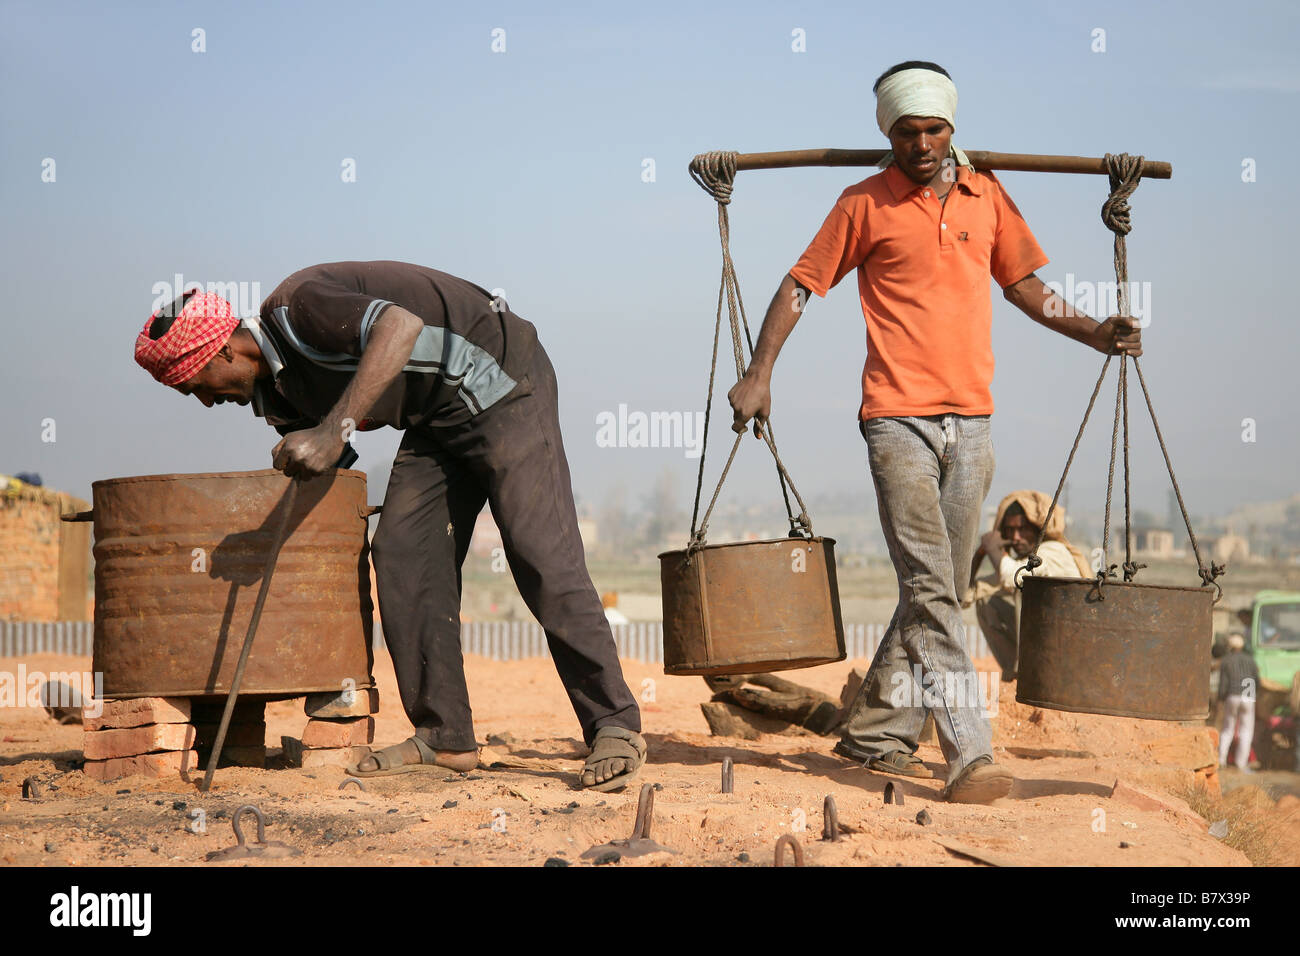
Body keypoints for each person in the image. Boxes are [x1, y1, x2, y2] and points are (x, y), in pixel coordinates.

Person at [726, 61, 1142, 803]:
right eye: (907, 132)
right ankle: (969, 755)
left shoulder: (988, 196)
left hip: (972, 422)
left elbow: (1024, 287)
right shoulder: (862, 203)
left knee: (939, 589)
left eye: (934, 130)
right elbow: (800, 284)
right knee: (931, 587)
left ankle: (877, 732)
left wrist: (1094, 332)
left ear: (953, 130)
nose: (922, 144)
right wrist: (760, 373)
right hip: (895, 421)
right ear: (888, 133)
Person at [133, 262, 646, 791]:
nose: (205, 400)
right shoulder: (279, 396)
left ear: (223, 350)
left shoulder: (298, 307)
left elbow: (399, 326)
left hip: (500, 379)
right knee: (402, 550)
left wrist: (333, 430)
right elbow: (332, 475)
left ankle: (614, 724)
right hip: (436, 418)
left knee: (539, 551)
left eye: (197, 385)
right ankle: (446, 735)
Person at [966, 490, 1091, 681]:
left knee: (1022, 590)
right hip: (1046, 647)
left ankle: (1036, 675)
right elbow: (966, 596)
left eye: (1022, 529)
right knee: (986, 601)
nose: (1015, 537)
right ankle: (1020, 675)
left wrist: (993, 550)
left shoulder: (1054, 551)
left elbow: (1012, 578)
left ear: (1038, 529)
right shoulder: (1022, 563)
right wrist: (979, 555)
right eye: (1010, 530)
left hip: (1070, 649)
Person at [1217, 633, 1260, 772]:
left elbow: (1223, 683)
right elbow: (1257, 680)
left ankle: (1221, 760)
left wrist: (1221, 698)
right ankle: (1241, 764)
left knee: (1227, 728)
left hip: (1232, 696)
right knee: (1246, 731)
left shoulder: (1226, 660)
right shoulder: (1251, 660)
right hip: (1249, 696)